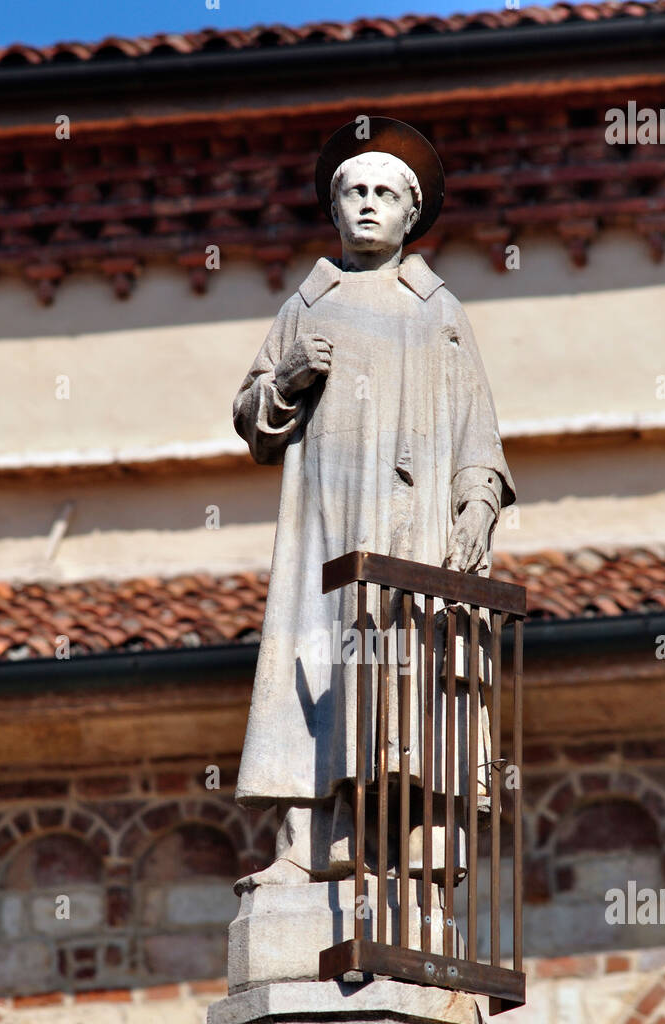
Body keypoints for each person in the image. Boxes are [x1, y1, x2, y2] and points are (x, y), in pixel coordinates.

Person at [232, 118, 514, 893]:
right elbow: (251, 415)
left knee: (412, 670)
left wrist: (475, 507)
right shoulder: (306, 304)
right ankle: (306, 841)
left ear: (409, 214)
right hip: (323, 524)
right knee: (311, 662)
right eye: (352, 190)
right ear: (334, 209)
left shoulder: (437, 310)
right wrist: (287, 377)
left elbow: (477, 434)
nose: (367, 203)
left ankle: (415, 840)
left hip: (409, 525)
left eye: (385, 193)